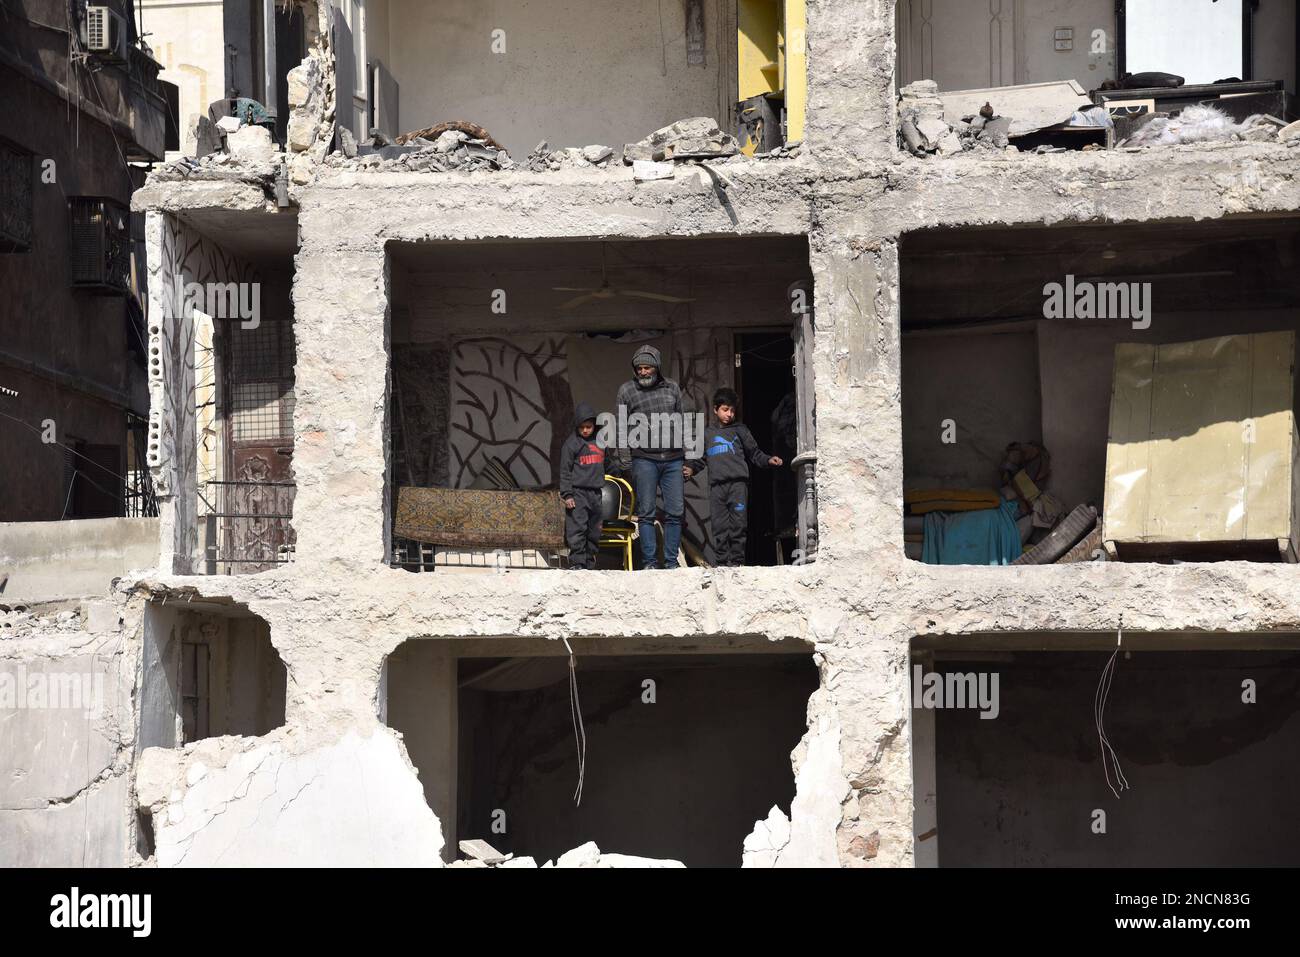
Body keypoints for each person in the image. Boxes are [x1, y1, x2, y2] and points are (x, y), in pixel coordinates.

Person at [685, 387, 783, 567]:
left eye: (732, 410)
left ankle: (737, 562)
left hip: (738, 485)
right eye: (725, 410)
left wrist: (769, 460)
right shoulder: (708, 434)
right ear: (715, 409)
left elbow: (755, 454)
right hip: (717, 488)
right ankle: (722, 563)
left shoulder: (740, 430)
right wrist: (691, 469)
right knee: (719, 527)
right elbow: (701, 459)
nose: (729, 414)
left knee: (738, 525)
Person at [614, 345, 686, 569]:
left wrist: (689, 458)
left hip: (673, 459)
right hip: (644, 459)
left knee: (675, 512)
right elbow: (621, 428)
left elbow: (682, 421)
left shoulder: (672, 387)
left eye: (647, 367)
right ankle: (650, 563)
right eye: (639, 368)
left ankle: (671, 563)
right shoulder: (626, 390)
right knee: (646, 513)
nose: (643, 372)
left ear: (657, 367)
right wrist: (626, 462)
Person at [558, 402, 606, 570]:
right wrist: (567, 494)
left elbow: (608, 463)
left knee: (594, 531)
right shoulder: (571, 444)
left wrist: (623, 471)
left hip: (596, 494)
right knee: (577, 528)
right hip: (578, 493)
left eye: (589, 426)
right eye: (582, 427)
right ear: (577, 426)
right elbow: (565, 471)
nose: (586, 430)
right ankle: (578, 563)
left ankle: (589, 564)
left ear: (594, 426)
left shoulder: (600, 442)